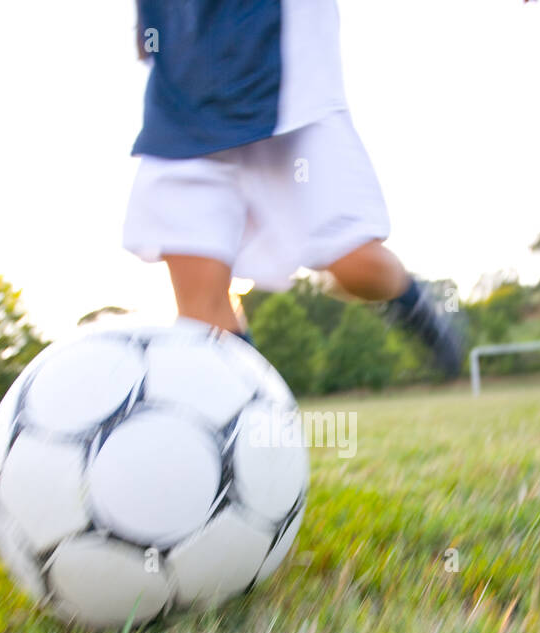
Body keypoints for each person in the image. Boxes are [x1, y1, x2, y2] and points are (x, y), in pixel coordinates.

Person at [122, 0, 464, 376]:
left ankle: (414, 304)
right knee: (202, 320)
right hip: (183, 116)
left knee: (355, 263)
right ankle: (252, 426)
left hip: (293, 101)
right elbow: (148, 40)